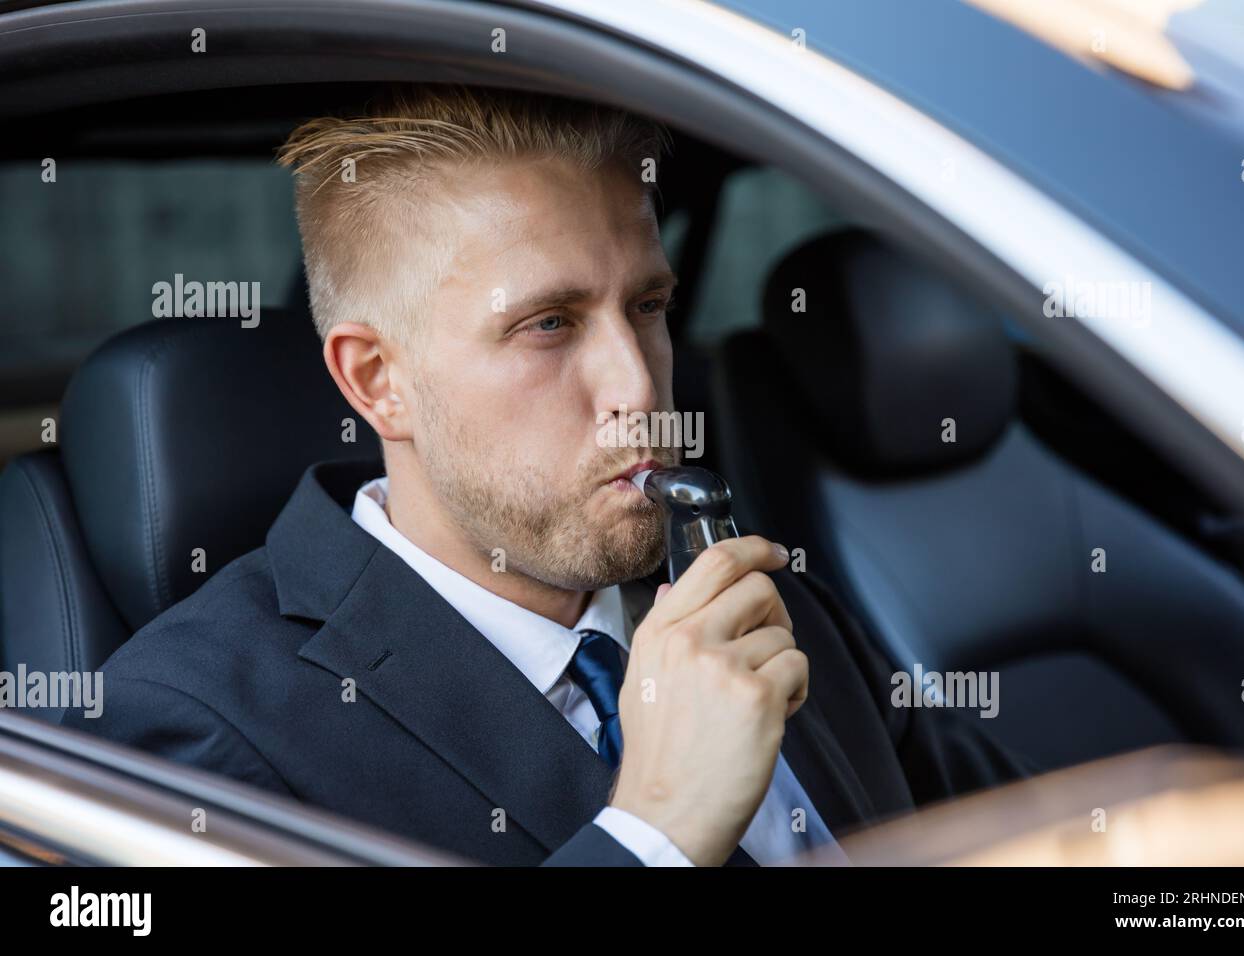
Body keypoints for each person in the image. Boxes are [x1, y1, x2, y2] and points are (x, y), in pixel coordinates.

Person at [62, 85, 1029, 866]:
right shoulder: (197, 734)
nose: (640, 384)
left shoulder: (763, 605)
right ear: (378, 381)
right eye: (549, 324)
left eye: (648, 303)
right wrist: (652, 835)